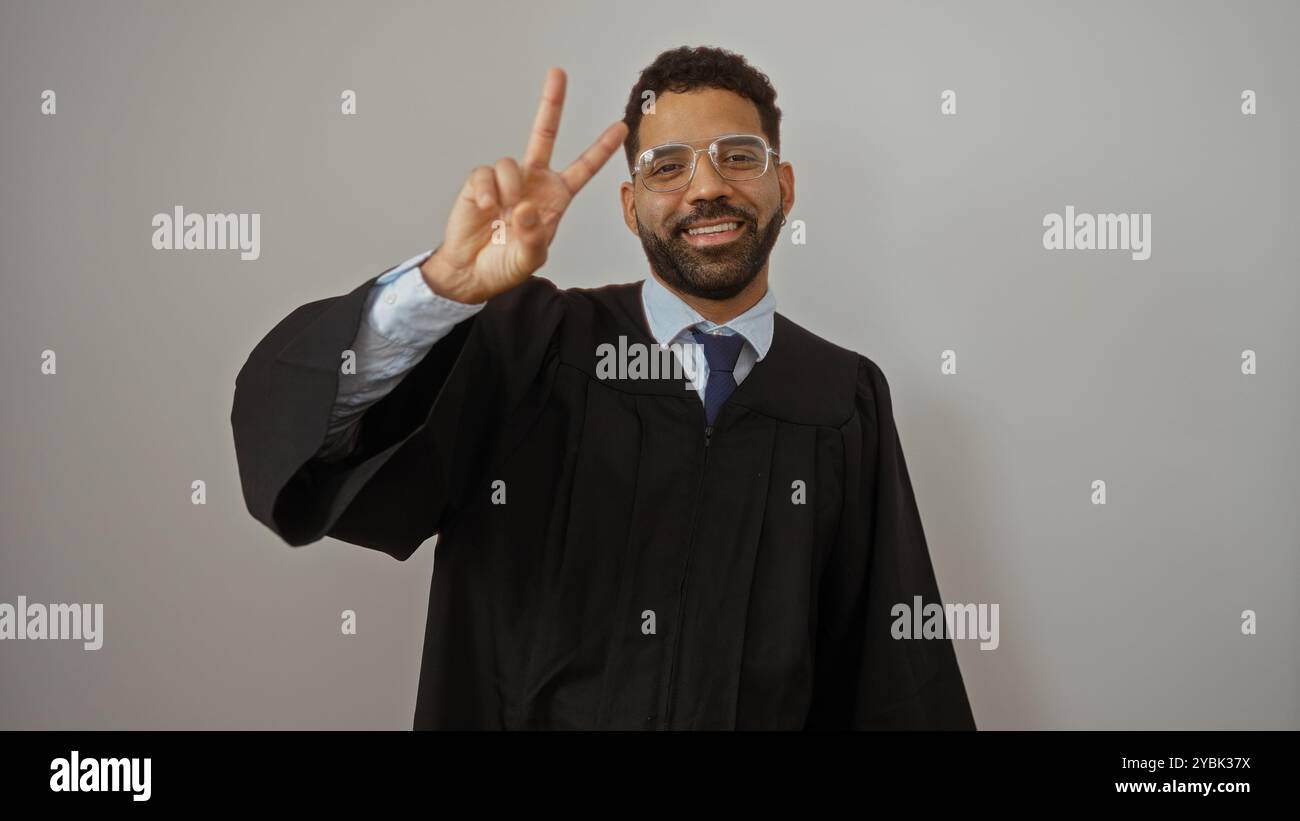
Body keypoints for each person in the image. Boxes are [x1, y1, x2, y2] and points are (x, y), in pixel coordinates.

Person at [230, 45, 976, 730]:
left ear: (782, 185)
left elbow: (894, 675)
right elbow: (315, 449)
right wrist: (442, 292)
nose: (707, 187)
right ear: (629, 206)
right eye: (668, 166)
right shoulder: (534, 348)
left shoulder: (842, 398)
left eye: (737, 157)